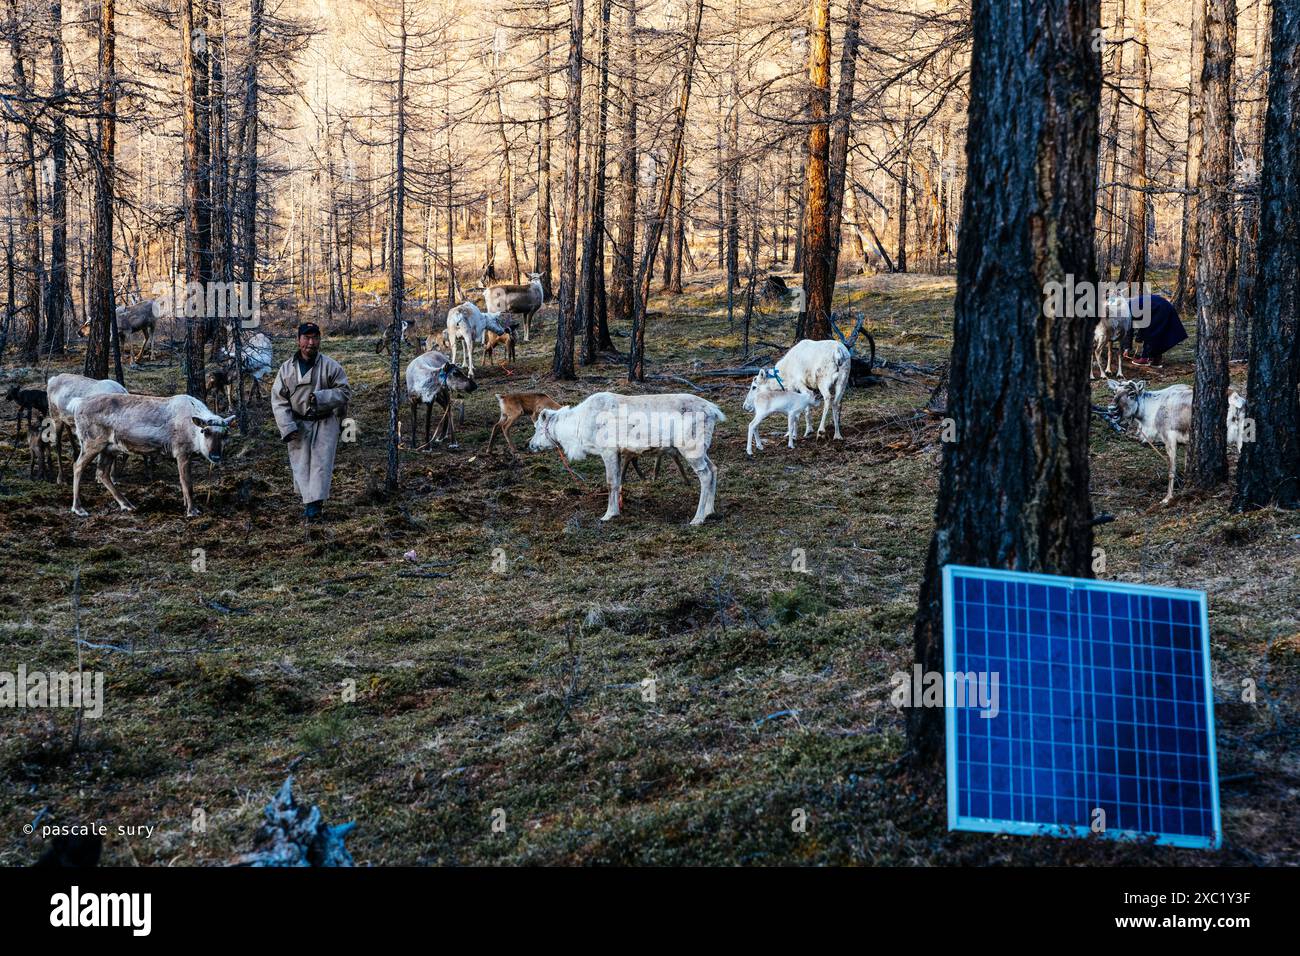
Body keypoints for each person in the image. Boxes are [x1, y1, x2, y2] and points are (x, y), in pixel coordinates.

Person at [271, 322, 351, 522]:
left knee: (320, 467)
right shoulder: (286, 369)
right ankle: (309, 504)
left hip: (324, 423)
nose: (311, 343)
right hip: (298, 425)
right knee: (301, 466)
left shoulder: (331, 366)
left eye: (315, 338)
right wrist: (287, 427)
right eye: (306, 338)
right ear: (298, 341)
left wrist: (322, 398)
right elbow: (278, 400)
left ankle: (314, 511)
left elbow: (344, 392)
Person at [1122, 293, 1188, 368]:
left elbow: (1129, 330)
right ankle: (1156, 359)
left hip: (1159, 308)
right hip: (1164, 306)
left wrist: (1126, 349)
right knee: (1158, 333)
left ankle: (1145, 358)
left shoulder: (1127, 311)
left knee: (1152, 333)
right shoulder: (1131, 305)